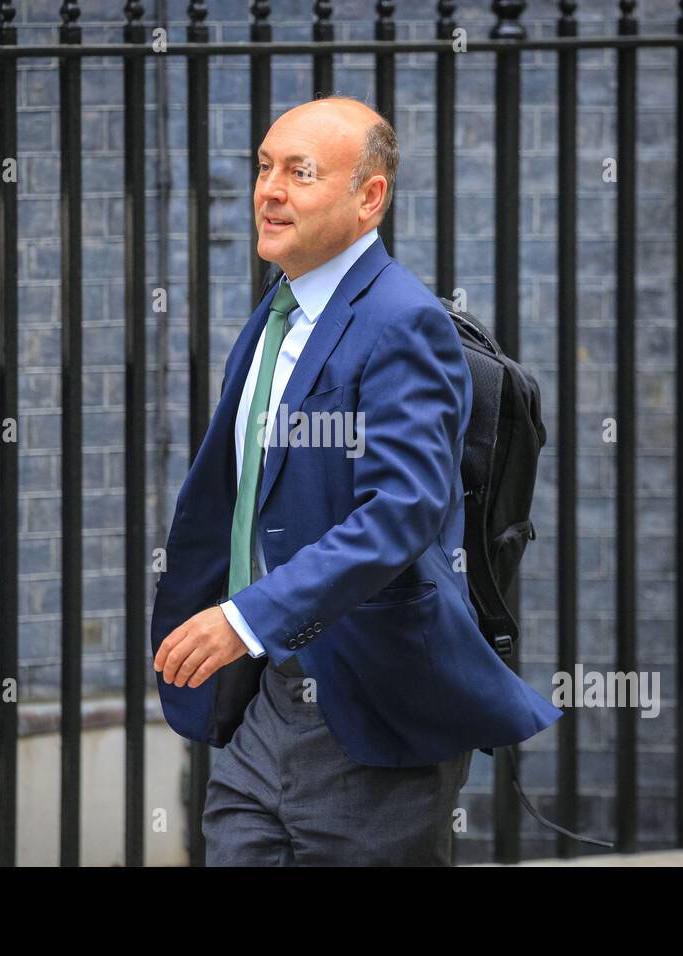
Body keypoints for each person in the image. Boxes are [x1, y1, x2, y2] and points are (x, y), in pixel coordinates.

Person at [150, 94, 563, 866]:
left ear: (368, 197)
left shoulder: (404, 323)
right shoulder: (279, 311)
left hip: (373, 710)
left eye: (300, 173)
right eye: (264, 167)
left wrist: (243, 617)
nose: (269, 190)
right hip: (269, 700)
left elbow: (401, 512)